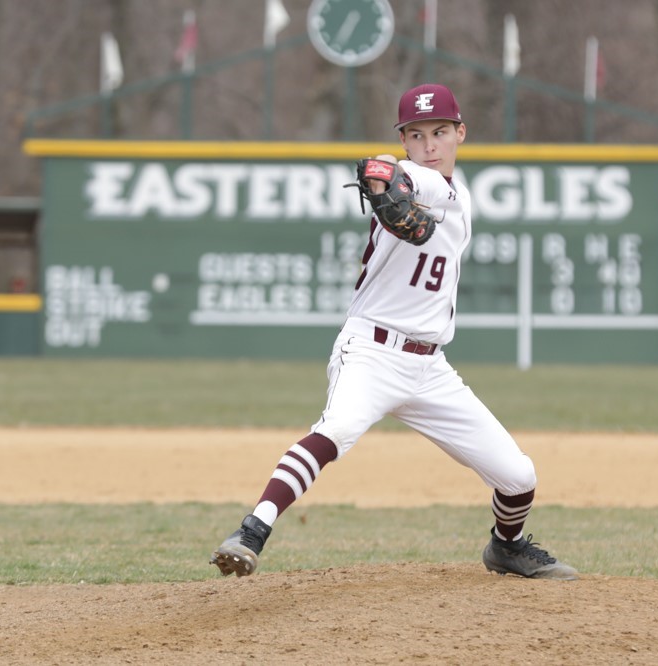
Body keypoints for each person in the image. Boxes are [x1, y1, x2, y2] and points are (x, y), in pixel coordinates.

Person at [210, 83, 577, 581]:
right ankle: (252, 530)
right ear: (404, 140)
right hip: (371, 351)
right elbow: (387, 170)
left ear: (460, 133)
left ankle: (506, 547)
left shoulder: (457, 197)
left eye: (441, 132)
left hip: (429, 369)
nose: (430, 144)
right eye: (417, 134)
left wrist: (388, 180)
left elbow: (425, 188)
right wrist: (381, 177)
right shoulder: (412, 175)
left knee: (519, 476)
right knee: (335, 431)